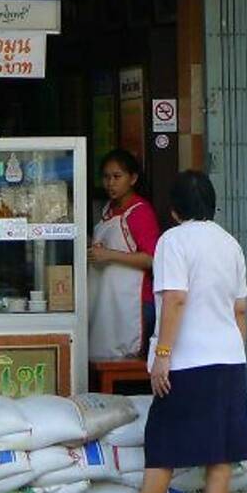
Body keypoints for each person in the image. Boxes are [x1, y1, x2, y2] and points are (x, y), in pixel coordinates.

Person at [96, 170, 247, 493]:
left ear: (174, 209)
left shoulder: (173, 241)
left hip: (188, 359)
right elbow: (241, 309)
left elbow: (175, 300)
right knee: (220, 445)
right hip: (228, 358)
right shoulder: (230, 243)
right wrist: (235, 352)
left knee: (163, 441)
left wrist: (162, 356)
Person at [87, 149, 161, 359]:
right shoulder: (107, 211)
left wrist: (109, 255)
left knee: (124, 357)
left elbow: (151, 258)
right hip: (107, 301)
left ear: (133, 178)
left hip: (134, 304)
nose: (110, 183)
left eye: (117, 177)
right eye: (106, 177)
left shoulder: (140, 212)